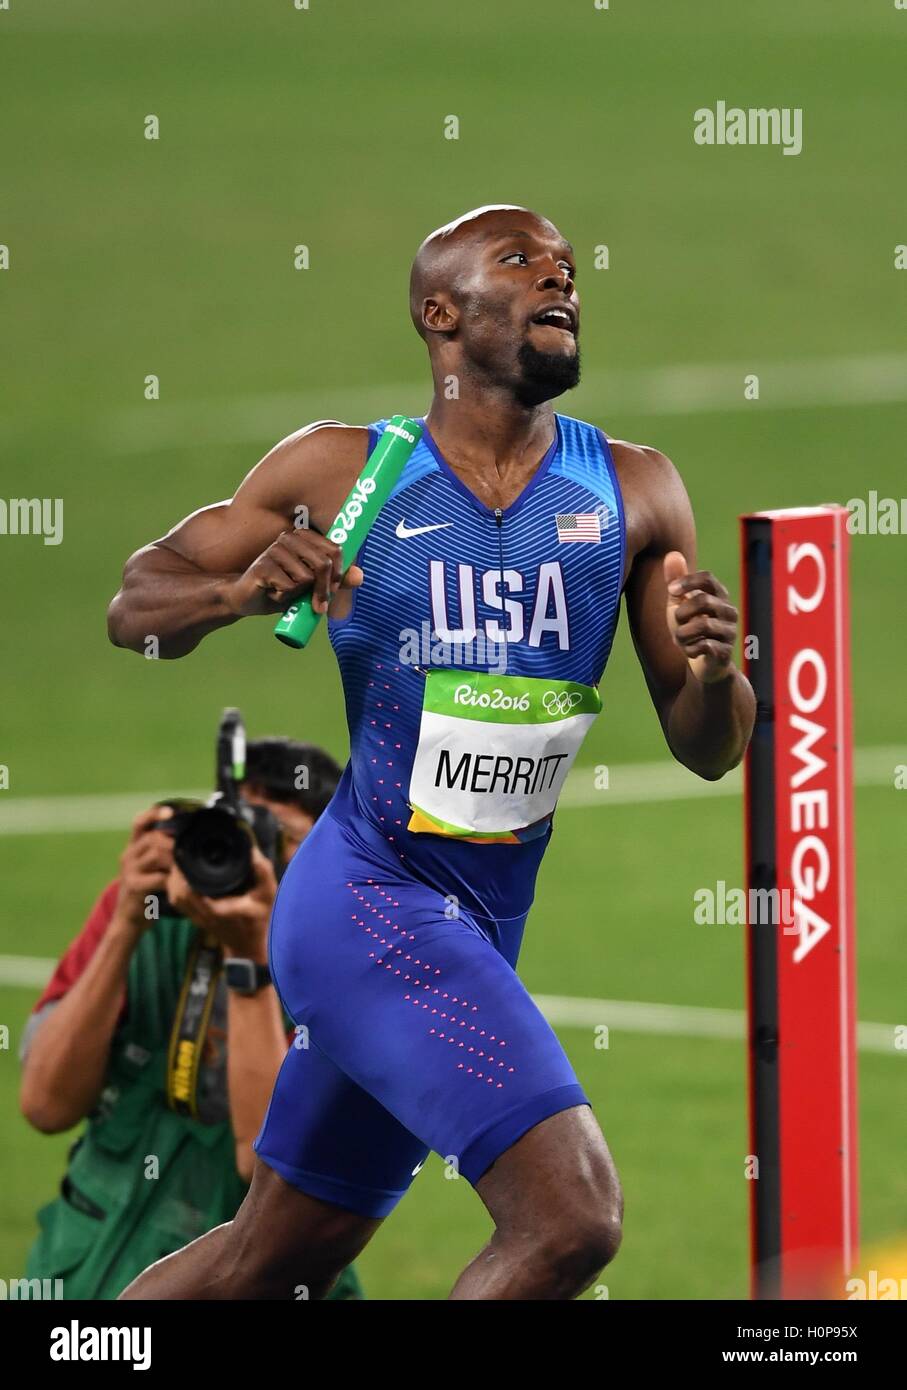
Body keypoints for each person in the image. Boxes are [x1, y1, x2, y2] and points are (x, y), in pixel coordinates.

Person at [107, 204, 755, 1300]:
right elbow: (136, 606)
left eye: (571, 267)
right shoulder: (347, 467)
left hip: (485, 920)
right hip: (368, 899)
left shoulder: (634, 490)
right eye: (524, 260)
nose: (561, 278)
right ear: (438, 313)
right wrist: (236, 589)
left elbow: (707, 751)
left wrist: (713, 673)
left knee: (269, 1259)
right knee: (571, 1217)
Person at [19, 736, 362, 1301]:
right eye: (238, 831)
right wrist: (128, 921)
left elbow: (264, 1164)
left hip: (237, 1283)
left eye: (277, 837)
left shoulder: (342, 963)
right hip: (79, 1271)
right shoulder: (145, 913)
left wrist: (248, 959)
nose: (253, 857)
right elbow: (46, 1104)